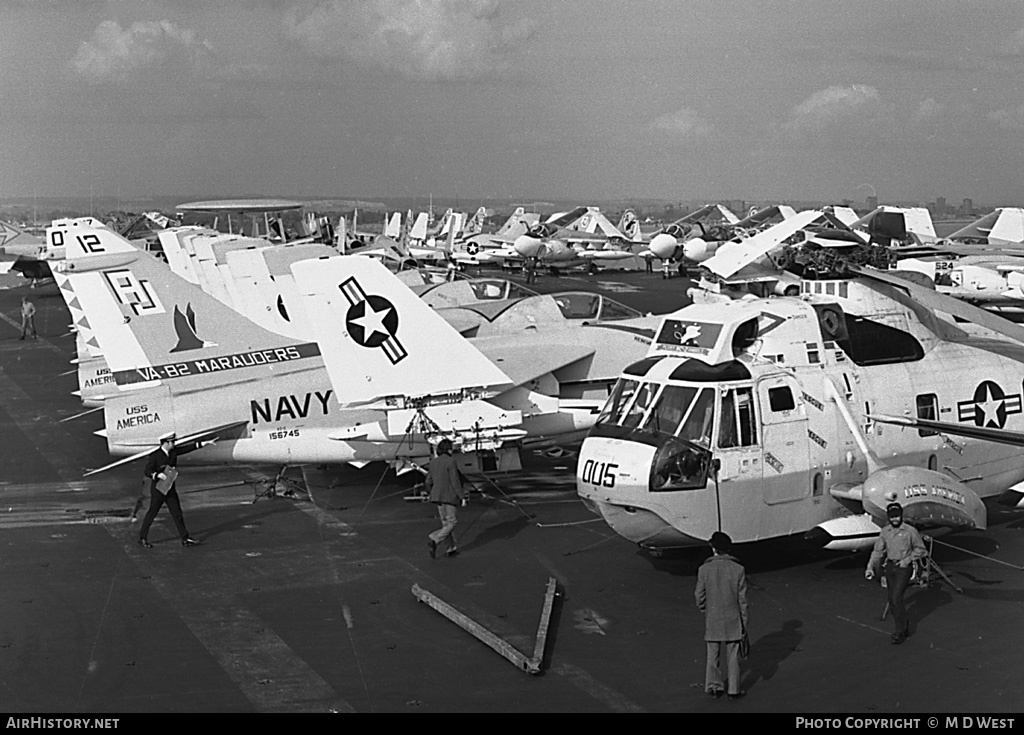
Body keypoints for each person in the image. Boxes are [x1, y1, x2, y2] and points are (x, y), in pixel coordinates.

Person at [695, 531, 748, 699]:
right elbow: (743, 601)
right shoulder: (738, 569)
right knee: (733, 655)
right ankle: (734, 690)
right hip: (733, 618)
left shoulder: (704, 569)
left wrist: (706, 609)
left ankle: (714, 686)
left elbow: (699, 595)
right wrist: (744, 622)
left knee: (713, 653)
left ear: (713, 548)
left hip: (713, 616)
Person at [865, 502, 926, 644]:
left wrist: (907, 560)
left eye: (897, 516)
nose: (895, 520)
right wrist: (870, 567)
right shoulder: (885, 532)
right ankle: (903, 625)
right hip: (890, 567)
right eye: (892, 517)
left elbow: (921, 549)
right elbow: (878, 551)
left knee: (896, 597)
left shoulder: (911, 531)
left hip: (904, 568)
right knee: (892, 601)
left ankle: (900, 632)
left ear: (901, 516)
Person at [138, 432, 199, 548]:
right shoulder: (155, 455)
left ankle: (185, 538)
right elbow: (147, 470)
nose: (174, 444)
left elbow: (186, 449)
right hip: (159, 490)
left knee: (177, 513)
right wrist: (156, 475)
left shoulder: (173, 452)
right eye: (172, 442)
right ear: (166, 443)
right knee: (152, 513)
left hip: (170, 488)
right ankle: (142, 537)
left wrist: (202, 444)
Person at [425, 438, 468, 558]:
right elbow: (455, 481)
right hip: (449, 496)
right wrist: (462, 497)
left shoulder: (433, 462)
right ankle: (435, 538)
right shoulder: (451, 461)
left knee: (445, 523)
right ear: (448, 449)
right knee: (452, 522)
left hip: (437, 496)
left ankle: (450, 549)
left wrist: (432, 493)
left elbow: (428, 481)